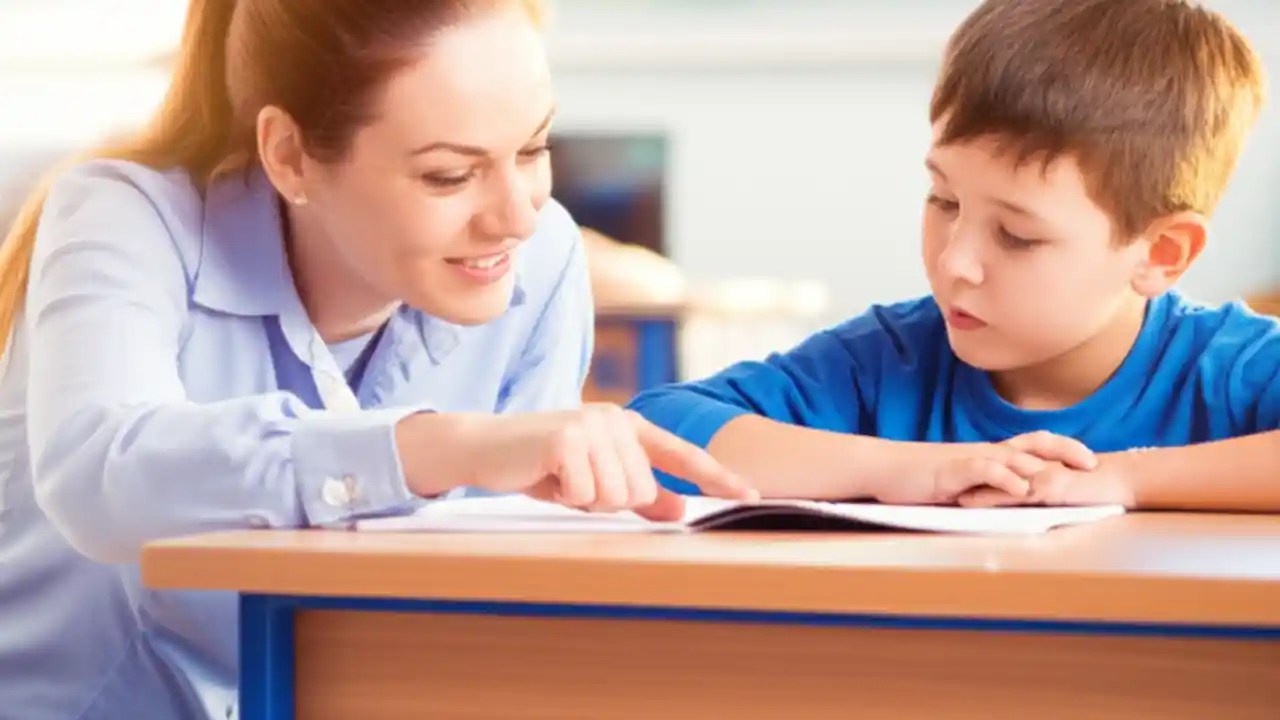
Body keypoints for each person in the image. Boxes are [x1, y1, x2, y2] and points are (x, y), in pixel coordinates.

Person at [0, 1, 752, 718]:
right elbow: (98, 473)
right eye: (449, 175)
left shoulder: (541, 260)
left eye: (532, 149)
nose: (519, 215)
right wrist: (440, 447)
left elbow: (495, 595)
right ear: (290, 156)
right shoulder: (126, 216)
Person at [630, 0, 1279, 511]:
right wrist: (910, 471)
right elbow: (653, 431)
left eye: (1018, 236)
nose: (955, 262)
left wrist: (1124, 478)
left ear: (1162, 253)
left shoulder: (1228, 370)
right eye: (943, 200)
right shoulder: (885, 364)